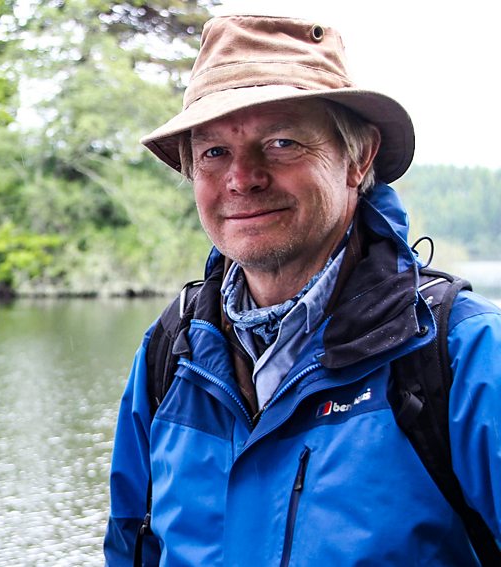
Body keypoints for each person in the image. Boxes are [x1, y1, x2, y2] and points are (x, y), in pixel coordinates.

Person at [104, 15, 501, 566]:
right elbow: (130, 548)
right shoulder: (170, 353)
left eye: (281, 142)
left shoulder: (462, 353)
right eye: (214, 152)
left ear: (358, 159)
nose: (242, 178)